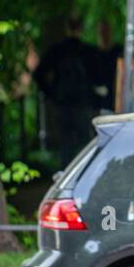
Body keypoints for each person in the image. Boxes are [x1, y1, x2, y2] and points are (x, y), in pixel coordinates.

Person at [34, 16, 102, 166]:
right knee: (85, 145)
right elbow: (98, 78)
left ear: (67, 28)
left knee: (66, 146)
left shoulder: (57, 50)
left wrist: (51, 94)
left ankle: (65, 179)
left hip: (62, 105)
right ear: (81, 29)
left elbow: (39, 74)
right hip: (83, 105)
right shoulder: (88, 51)